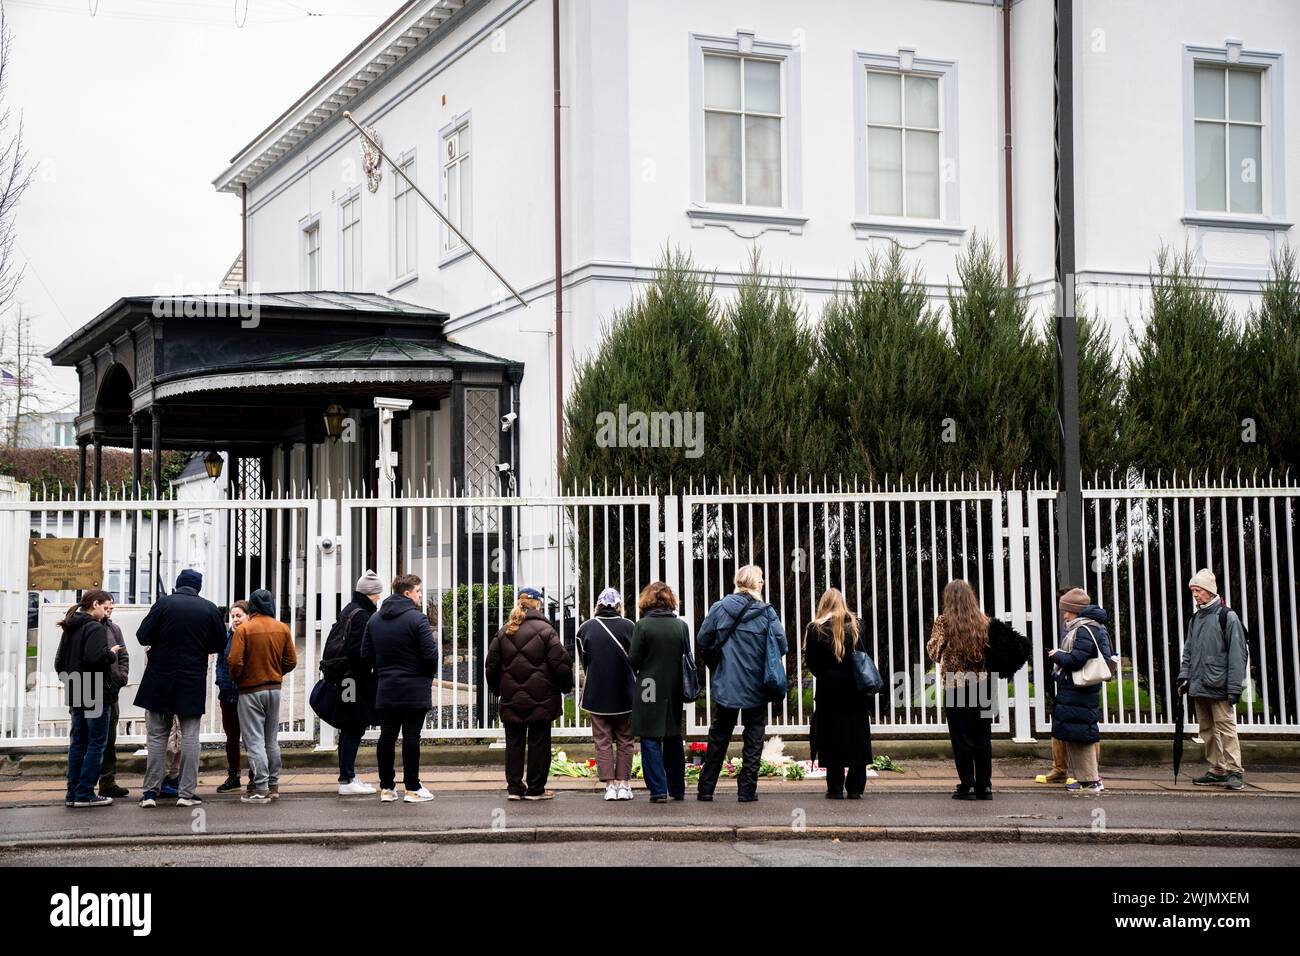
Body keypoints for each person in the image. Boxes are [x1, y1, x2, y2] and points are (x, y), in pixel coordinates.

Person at [694, 565, 788, 803]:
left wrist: (719, 667)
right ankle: (746, 790)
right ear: (756, 584)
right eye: (761, 580)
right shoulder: (767, 613)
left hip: (727, 684)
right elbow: (782, 645)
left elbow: (703, 641)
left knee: (719, 736)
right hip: (756, 685)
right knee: (754, 736)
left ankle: (706, 789)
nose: (763, 583)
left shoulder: (719, 608)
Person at [135, 569, 226, 808]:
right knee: (190, 738)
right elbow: (219, 643)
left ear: (177, 584)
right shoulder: (209, 609)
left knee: (156, 737)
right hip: (191, 679)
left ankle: (150, 793)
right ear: (198, 586)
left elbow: (142, 636)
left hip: (159, 678)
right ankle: (186, 793)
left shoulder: (163, 604)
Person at [485, 586, 574, 802]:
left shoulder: (504, 631)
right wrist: (565, 687)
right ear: (538, 604)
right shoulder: (546, 631)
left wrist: (499, 690)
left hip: (512, 698)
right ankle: (536, 789)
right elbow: (561, 664)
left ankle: (514, 788)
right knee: (539, 742)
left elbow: (491, 666)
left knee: (513, 743)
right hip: (542, 698)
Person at [361, 573, 438, 804]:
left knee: (387, 736)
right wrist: (424, 674)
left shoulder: (374, 620)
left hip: (386, 687)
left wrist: (383, 671)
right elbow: (430, 654)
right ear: (407, 593)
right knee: (411, 736)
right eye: (419, 591)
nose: (420, 595)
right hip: (414, 687)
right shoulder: (418, 619)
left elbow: (366, 655)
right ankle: (412, 788)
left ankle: (387, 788)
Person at [927, 579, 1005, 800]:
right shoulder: (985, 621)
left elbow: (933, 653)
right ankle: (985, 786)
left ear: (948, 599)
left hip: (957, 684)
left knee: (961, 738)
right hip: (983, 684)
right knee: (983, 736)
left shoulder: (944, 622)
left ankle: (967, 785)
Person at [1179, 569, 1247, 791]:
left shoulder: (1227, 617)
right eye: (1193, 591)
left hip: (1219, 685)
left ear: (1209, 591)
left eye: (1198, 590)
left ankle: (1234, 771)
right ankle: (1217, 770)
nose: (1195, 595)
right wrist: (1184, 676)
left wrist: (1234, 688)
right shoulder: (1197, 618)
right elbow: (1188, 650)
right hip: (1200, 684)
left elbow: (1238, 655)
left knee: (1226, 729)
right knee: (1206, 729)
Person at [228, 588, 297, 804]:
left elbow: (234, 662)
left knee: (254, 741)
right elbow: (291, 661)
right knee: (271, 740)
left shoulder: (244, 630)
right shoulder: (282, 628)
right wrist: (276, 673)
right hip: (274, 689)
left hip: (250, 690)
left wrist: (239, 678)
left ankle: (261, 787)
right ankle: (274, 784)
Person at [805, 588, 873, 799]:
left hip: (829, 688)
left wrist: (827, 673)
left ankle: (834, 788)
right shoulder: (857, 625)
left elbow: (812, 663)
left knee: (831, 736)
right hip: (855, 687)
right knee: (857, 735)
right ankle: (855, 787)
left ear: (823, 604)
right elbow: (863, 655)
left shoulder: (815, 628)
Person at [54, 590, 118, 808]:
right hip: (95, 691)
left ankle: (72, 792)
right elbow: (95, 659)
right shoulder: (94, 627)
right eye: (105, 606)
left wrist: (72, 682)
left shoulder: (70, 627)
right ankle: (85, 793)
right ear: (95, 604)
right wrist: (111, 654)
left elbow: (59, 664)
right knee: (96, 743)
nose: (106, 610)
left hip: (76, 689)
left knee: (78, 742)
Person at [1047, 587, 1113, 794]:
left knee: (1081, 736)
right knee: (1077, 734)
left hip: (1079, 690)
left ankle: (1091, 781)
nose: (1064, 615)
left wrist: (1056, 655)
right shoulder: (1094, 627)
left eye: (1066, 610)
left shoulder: (1083, 629)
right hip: (1080, 690)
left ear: (1075, 610)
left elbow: (1076, 660)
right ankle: (1085, 779)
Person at [628, 581, 689, 803]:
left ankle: (658, 790)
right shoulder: (681, 626)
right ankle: (678, 788)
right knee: (673, 735)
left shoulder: (642, 626)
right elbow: (687, 657)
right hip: (674, 686)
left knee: (650, 735)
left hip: (648, 686)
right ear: (670, 600)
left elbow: (633, 659)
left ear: (648, 600)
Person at [576, 587, 636, 800]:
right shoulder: (630, 626)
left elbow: (585, 662)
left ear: (598, 605)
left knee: (602, 740)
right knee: (625, 739)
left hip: (596, 693)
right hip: (625, 692)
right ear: (619, 605)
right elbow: (636, 659)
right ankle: (624, 784)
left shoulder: (586, 628)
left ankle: (609, 785)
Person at [334, 570, 383, 795]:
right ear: (370, 593)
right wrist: (369, 672)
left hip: (345, 679)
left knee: (348, 726)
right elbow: (357, 651)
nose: (379, 597)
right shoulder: (362, 614)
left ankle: (348, 775)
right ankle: (346, 780)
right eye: (377, 593)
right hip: (353, 680)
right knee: (354, 726)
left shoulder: (349, 609)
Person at [96, 597, 131, 800]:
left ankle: (107, 782)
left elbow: (123, 655)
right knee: (89, 739)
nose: (110, 608)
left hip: (111, 690)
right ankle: (81, 785)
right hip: (89, 689)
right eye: (106, 604)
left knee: (109, 739)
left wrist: (121, 676)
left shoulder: (114, 629)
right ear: (95, 605)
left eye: (112, 604)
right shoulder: (85, 627)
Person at [213, 599, 248, 793]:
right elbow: (219, 662)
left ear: (248, 616)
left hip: (246, 694)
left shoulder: (250, 635)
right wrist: (222, 681)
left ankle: (255, 776)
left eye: (239, 615)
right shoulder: (227, 636)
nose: (235, 619)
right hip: (228, 694)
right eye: (233, 616)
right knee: (231, 738)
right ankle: (233, 775)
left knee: (251, 737)